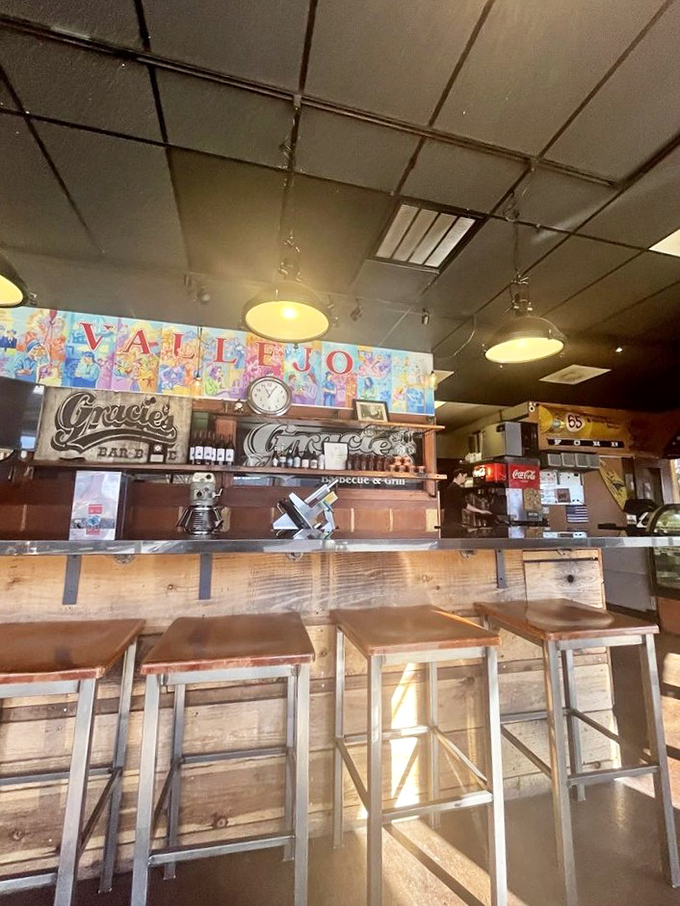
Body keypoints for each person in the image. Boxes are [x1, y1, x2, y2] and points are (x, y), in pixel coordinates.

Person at [440, 464, 493, 536]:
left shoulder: (451, 487)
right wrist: (480, 511)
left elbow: (457, 504)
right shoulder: (455, 488)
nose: (465, 480)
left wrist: (467, 511)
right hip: (453, 522)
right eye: (464, 477)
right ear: (459, 476)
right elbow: (463, 504)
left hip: (450, 521)